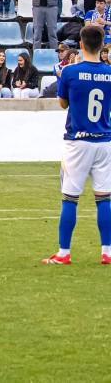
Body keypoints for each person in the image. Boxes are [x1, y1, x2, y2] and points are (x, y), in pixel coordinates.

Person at [44, 24, 111, 265]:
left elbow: (63, 104)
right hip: (104, 141)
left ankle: (64, 252)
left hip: (78, 141)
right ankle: (107, 251)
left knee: (70, 197)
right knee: (104, 197)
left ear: (81, 45)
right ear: (102, 45)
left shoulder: (70, 73)